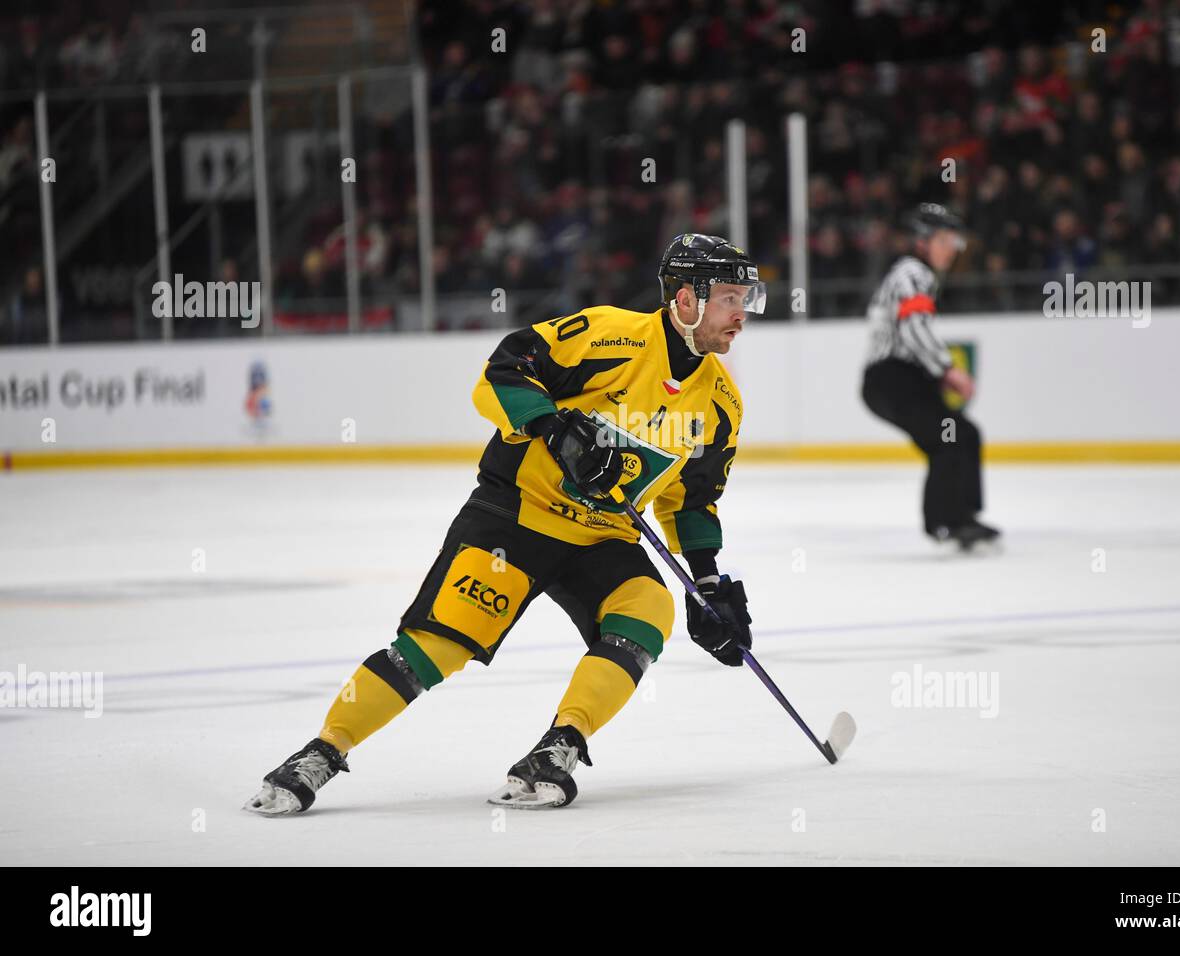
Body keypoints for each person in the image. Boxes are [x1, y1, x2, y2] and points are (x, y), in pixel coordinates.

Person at [245, 234, 765, 812]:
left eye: (746, 298)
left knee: (650, 608)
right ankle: (320, 752)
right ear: (685, 300)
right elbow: (502, 372)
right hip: (518, 514)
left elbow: (692, 501)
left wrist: (709, 582)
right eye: (728, 297)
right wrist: (553, 428)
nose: (741, 314)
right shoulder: (609, 335)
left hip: (603, 536)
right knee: (436, 645)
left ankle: (558, 748)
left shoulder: (721, 403)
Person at [861, 203, 1000, 550]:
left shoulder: (913, 274)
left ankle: (961, 518)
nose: (952, 248)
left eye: (955, 241)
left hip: (899, 380)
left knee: (961, 435)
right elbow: (913, 328)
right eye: (946, 239)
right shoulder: (913, 274)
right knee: (951, 438)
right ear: (924, 241)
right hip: (892, 379)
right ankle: (947, 523)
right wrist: (947, 369)